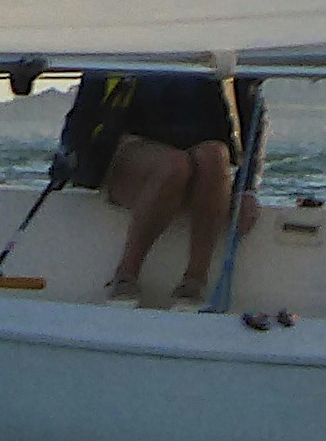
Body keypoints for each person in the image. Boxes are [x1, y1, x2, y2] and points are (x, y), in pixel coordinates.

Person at [58, 69, 264, 305]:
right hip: (133, 149)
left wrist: (247, 187)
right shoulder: (129, 49)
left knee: (215, 156)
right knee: (174, 166)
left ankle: (194, 281)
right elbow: (82, 114)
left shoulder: (220, 51)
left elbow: (253, 113)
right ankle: (125, 275)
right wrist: (70, 160)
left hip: (203, 154)